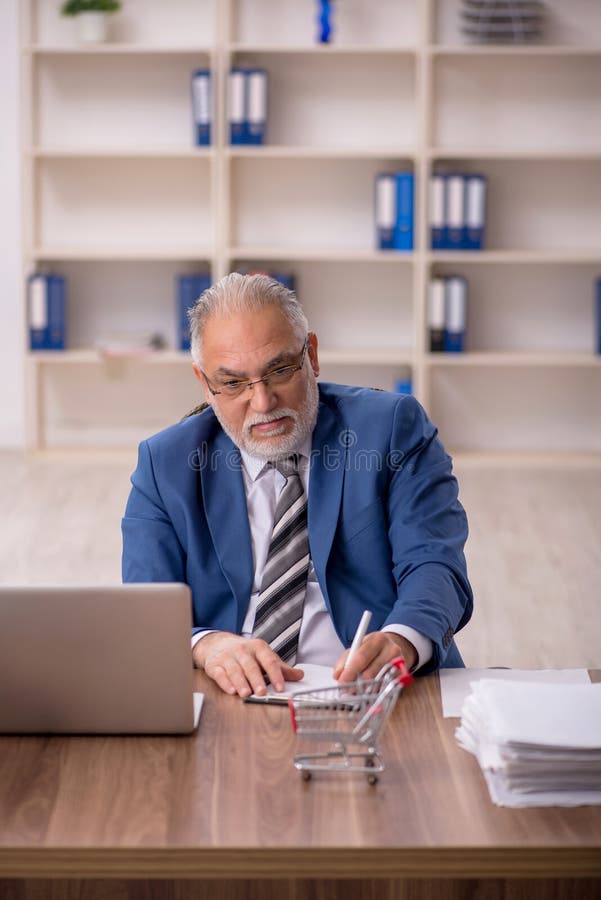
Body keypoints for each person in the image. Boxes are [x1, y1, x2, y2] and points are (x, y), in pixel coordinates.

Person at [122, 273, 473, 698]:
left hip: (375, 692)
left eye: (279, 370)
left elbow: (436, 564)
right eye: (233, 383)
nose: (263, 402)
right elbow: (146, 609)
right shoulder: (166, 464)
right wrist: (206, 644)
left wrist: (401, 638)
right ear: (205, 384)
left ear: (312, 355)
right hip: (230, 693)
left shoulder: (392, 429)